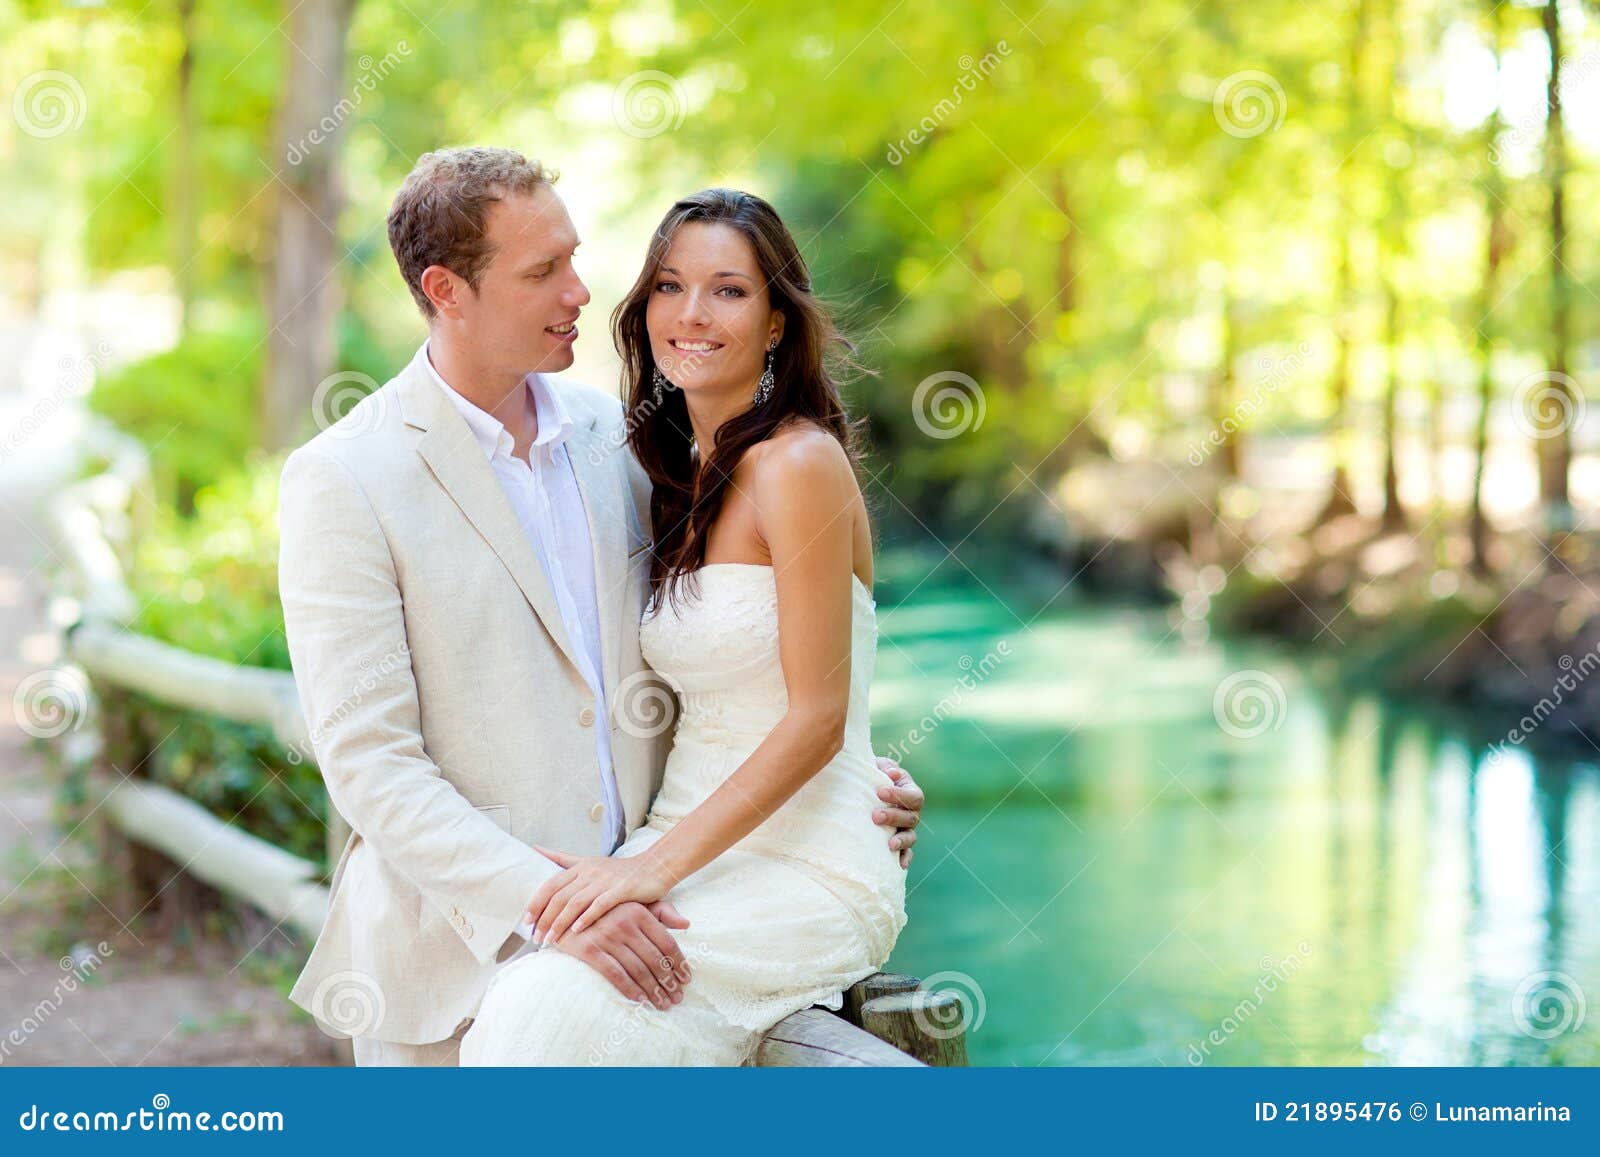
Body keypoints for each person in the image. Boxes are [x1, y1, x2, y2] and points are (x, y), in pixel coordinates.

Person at [277, 148, 924, 1066]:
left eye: (576, 259)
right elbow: (369, 763)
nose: (582, 289)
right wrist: (556, 901)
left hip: (668, 903)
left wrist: (858, 770)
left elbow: (776, 672)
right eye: (544, 271)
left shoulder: (618, 439)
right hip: (453, 957)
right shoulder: (345, 476)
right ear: (446, 290)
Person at [459, 187, 906, 1066]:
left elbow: (819, 717)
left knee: (550, 1020)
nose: (692, 313)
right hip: (683, 842)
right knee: (532, 1006)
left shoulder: (800, 463)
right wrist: (639, 863)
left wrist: (645, 875)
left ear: (778, 321)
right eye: (669, 285)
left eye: (730, 290)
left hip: (806, 863)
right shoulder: (669, 473)